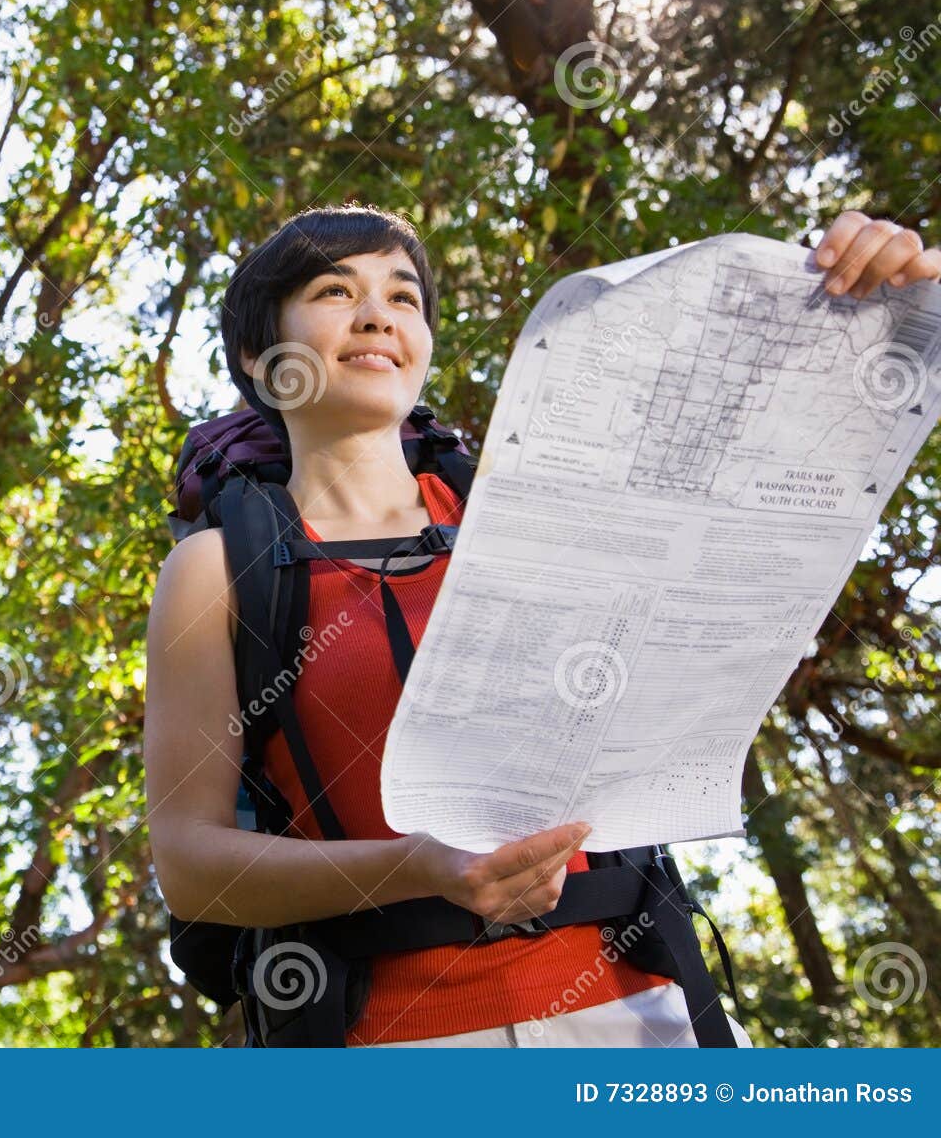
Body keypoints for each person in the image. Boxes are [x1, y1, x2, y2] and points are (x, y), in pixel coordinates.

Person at [142, 204, 941, 1047]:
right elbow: (193, 866)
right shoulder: (217, 571)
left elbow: (748, 461)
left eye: (404, 297)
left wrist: (867, 299)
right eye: (336, 290)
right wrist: (417, 869)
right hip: (396, 1045)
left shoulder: (536, 509)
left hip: (650, 1019)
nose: (378, 313)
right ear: (258, 357)